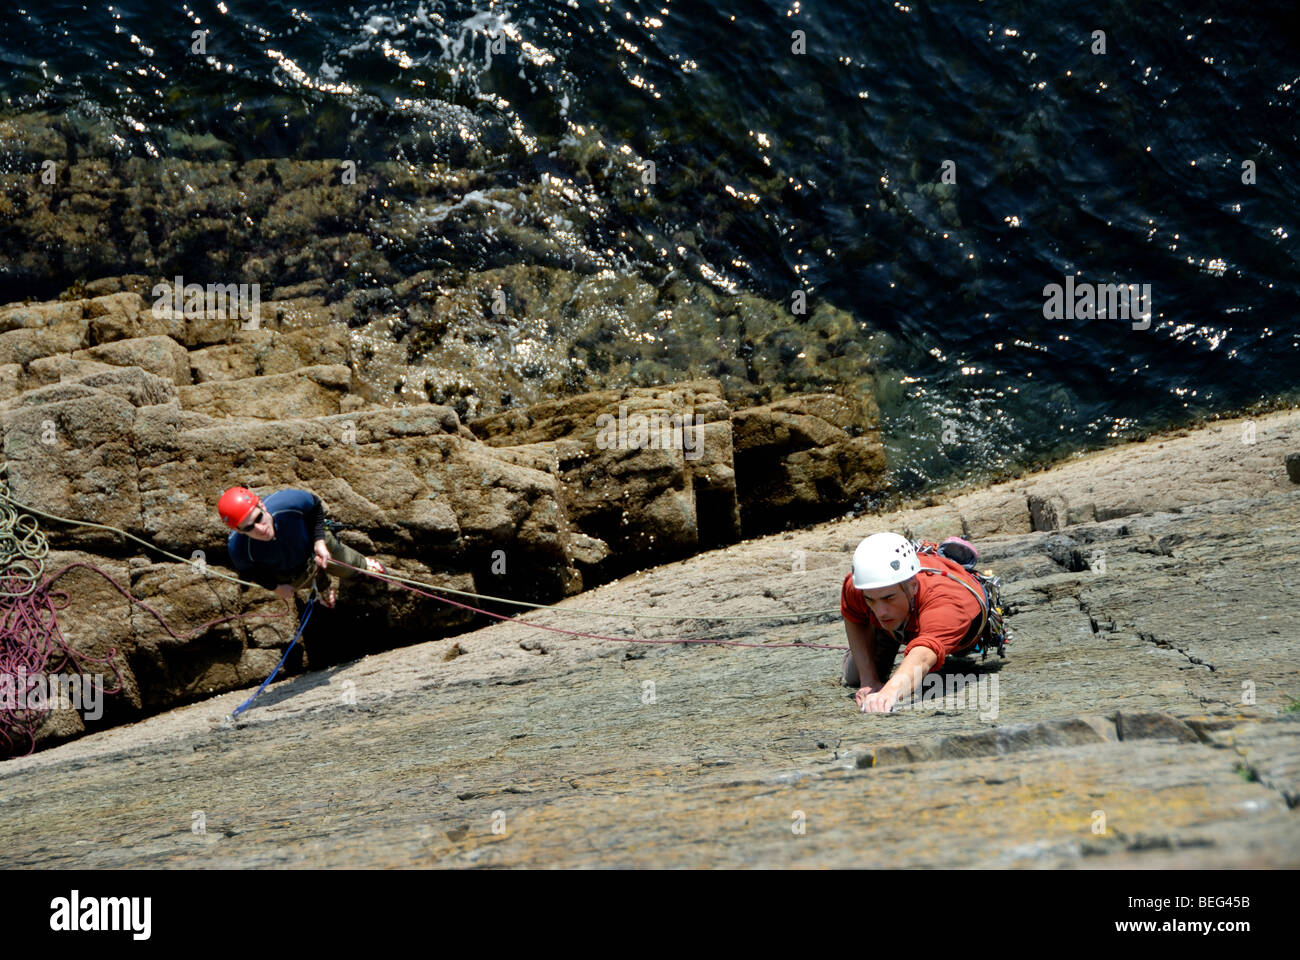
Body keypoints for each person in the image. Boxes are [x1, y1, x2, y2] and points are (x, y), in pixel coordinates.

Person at [841, 533, 986, 713]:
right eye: (870, 600)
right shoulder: (859, 586)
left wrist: (888, 693)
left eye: (889, 598)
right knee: (853, 677)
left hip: (950, 629)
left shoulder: (947, 601)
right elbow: (853, 614)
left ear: (913, 586)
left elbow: (924, 655)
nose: (880, 611)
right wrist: (868, 680)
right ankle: (891, 631)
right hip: (898, 625)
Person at [218, 486, 384, 609]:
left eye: (258, 518)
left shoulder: (288, 503)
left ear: (261, 505)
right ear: (237, 530)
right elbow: (251, 571)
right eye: (248, 528)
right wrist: (276, 587)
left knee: (339, 558)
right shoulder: (239, 549)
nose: (260, 529)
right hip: (290, 569)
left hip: (312, 542)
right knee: (305, 580)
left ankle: (361, 566)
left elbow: (315, 506)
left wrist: (319, 541)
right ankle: (322, 587)